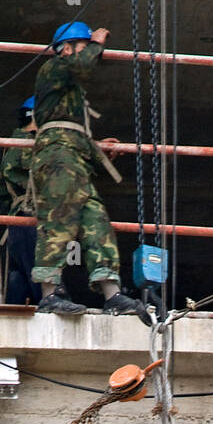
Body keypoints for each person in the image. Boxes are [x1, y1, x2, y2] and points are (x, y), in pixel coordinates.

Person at [30, 21, 141, 316]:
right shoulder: (55, 68)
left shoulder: (70, 90)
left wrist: (97, 152)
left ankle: (112, 293)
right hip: (58, 159)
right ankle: (49, 293)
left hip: (74, 160)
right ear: (66, 48)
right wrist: (97, 43)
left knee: (97, 223)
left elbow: (71, 129)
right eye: (81, 45)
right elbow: (82, 66)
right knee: (59, 220)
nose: (89, 52)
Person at [0, 96, 41, 305]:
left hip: (18, 222)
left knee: (19, 276)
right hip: (30, 220)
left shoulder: (11, 145)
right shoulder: (30, 146)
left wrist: (12, 209)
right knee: (41, 276)